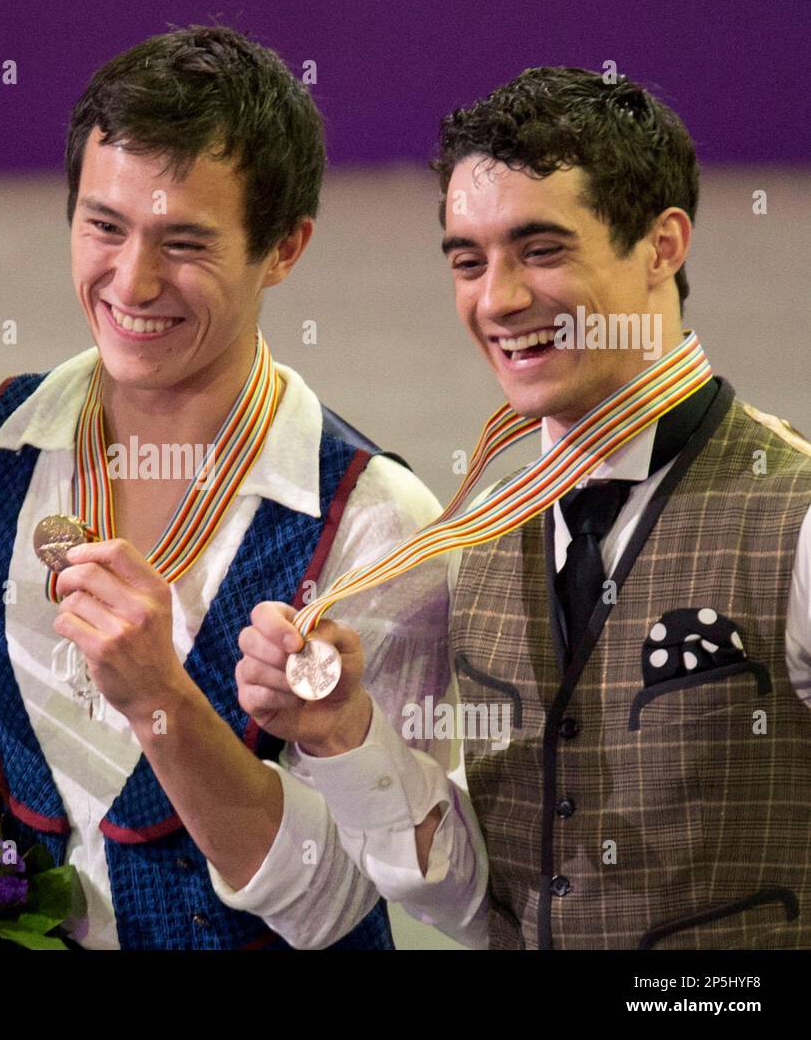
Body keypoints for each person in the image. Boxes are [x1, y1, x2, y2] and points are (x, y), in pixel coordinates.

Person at [0, 25, 485, 950]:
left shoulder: (381, 526)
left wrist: (162, 698)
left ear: (284, 248)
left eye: (184, 242)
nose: (133, 281)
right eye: (104, 226)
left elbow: (335, 907)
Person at [239, 66, 811, 949]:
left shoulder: (796, 519)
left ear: (663, 246)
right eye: (469, 261)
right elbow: (495, 903)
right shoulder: (488, 537)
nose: (497, 300)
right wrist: (345, 736)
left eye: (540, 251)